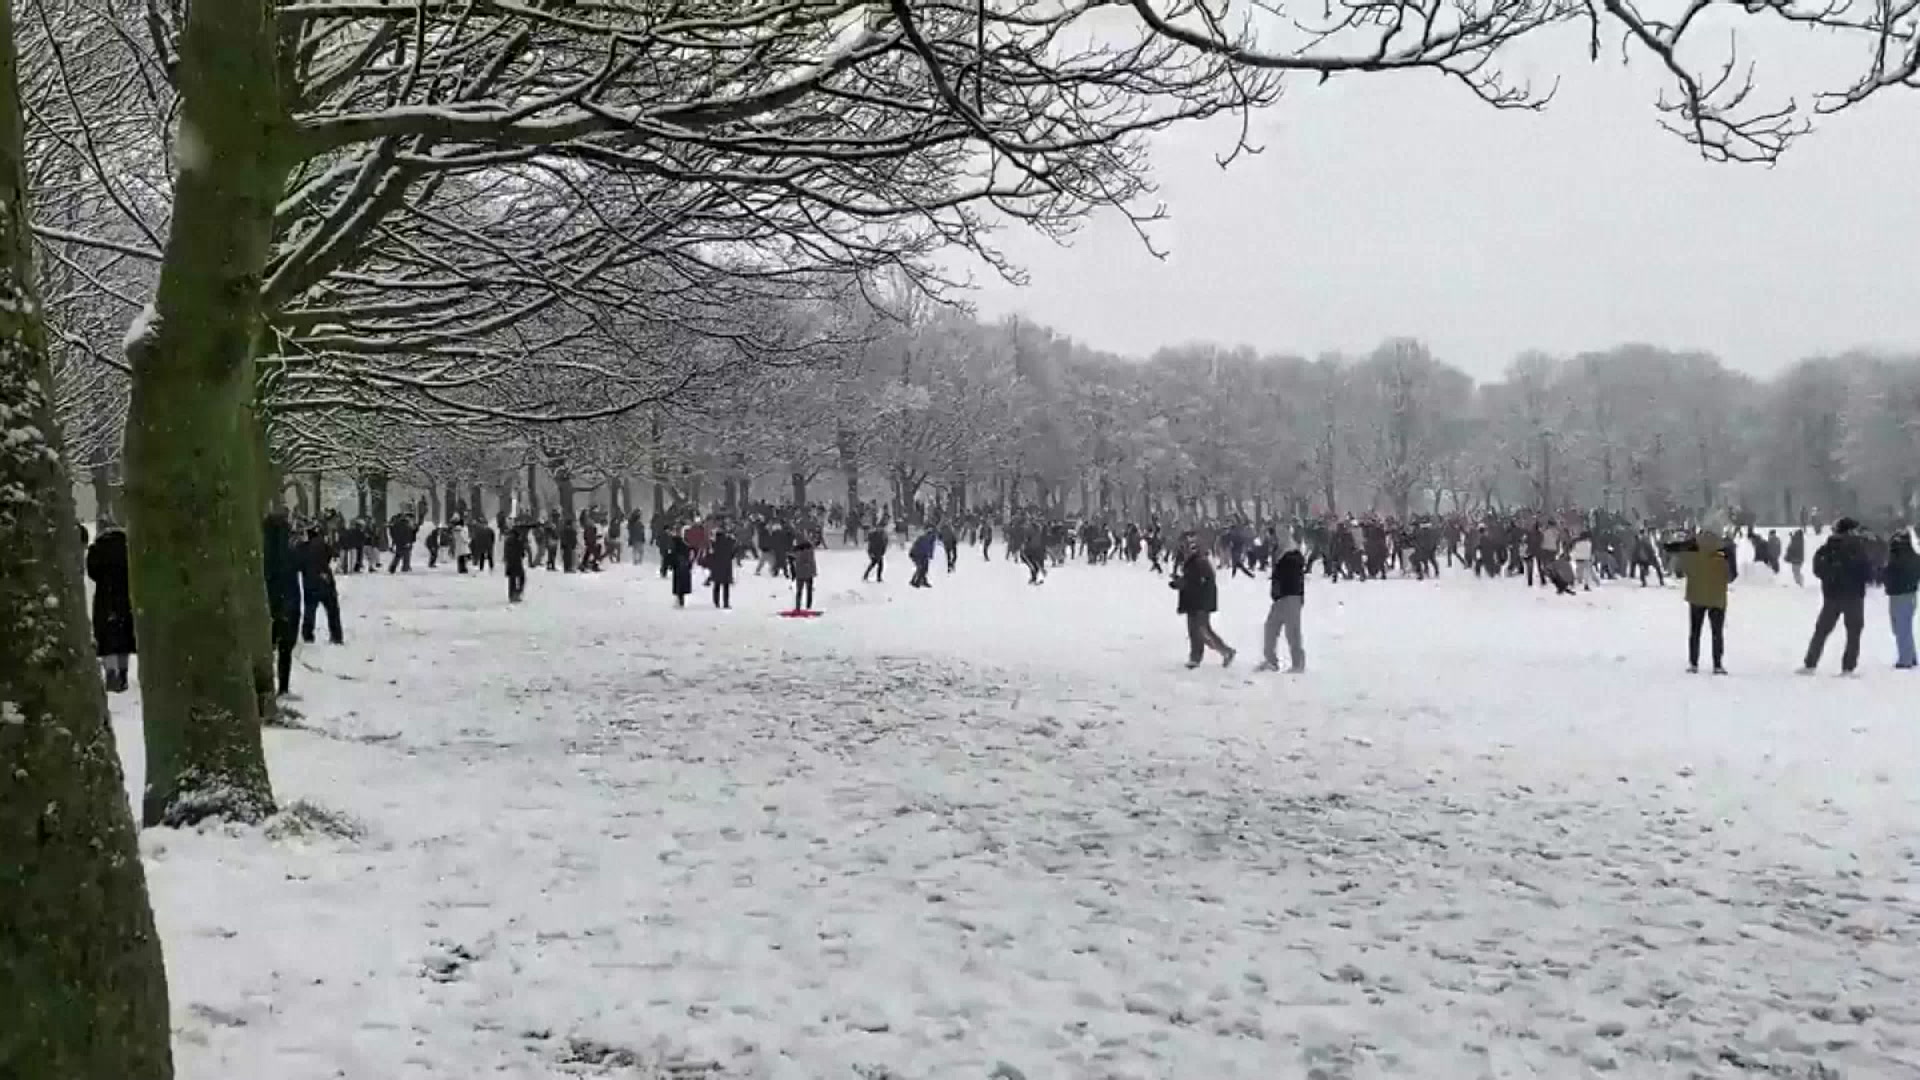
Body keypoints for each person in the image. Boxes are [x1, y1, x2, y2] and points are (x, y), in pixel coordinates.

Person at [1802, 517, 1872, 675]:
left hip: (1832, 595)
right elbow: (1868, 572)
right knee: (1854, 633)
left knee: (1822, 630)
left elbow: (1817, 567)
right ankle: (1848, 667)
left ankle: (1810, 663)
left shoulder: (1829, 546)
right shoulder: (1859, 547)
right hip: (1854, 596)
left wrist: (1830, 577)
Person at [1664, 526, 1736, 674]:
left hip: (1696, 595)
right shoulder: (1724, 548)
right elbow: (1732, 576)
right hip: (1717, 596)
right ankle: (1717, 665)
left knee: (1695, 631)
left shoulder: (1692, 545)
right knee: (1717, 632)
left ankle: (1693, 663)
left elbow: (1679, 572)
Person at [1171, 533, 1235, 669]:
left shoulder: (1198, 561)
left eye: (1184, 547)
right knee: (1195, 630)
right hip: (1195, 601)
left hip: (1200, 602)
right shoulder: (1193, 562)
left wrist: (1181, 583)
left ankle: (1223, 652)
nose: (1182, 550)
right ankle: (1200, 655)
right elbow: (1193, 580)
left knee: (1201, 630)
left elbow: (1199, 581)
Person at [85, 522, 135, 692]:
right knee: (123, 638)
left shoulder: (97, 548)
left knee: (107, 638)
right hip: (125, 596)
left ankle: (111, 673)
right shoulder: (128, 545)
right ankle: (123, 672)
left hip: (104, 597)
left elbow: (92, 572)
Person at [263, 510, 303, 696]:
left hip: (271, 600)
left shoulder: (264, 547)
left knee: (270, 646)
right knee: (285, 647)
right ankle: (282, 687)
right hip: (287, 600)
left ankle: (268, 687)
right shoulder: (286, 549)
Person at [1259, 533, 1306, 674]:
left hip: (1291, 596)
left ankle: (1298, 664)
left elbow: (1290, 576)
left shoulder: (1292, 558)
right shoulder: (1280, 556)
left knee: (1292, 632)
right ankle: (1270, 660)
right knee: (1271, 627)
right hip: (1280, 598)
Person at [297, 525, 344, 645]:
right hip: (326, 580)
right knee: (332, 610)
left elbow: (298, 564)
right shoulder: (323, 544)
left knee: (310, 610)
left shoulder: (302, 547)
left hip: (310, 582)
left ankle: (308, 635)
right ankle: (336, 635)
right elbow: (333, 554)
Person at [1885, 531, 1918, 670]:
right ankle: (1910, 655)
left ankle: (1906, 659)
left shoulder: (1896, 559)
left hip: (1898, 595)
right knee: (1905, 627)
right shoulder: (1914, 558)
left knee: (1900, 627)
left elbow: (1888, 574)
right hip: (1910, 594)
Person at [708, 524, 738, 608]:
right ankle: (726, 603)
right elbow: (734, 551)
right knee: (726, 586)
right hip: (726, 566)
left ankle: (716, 602)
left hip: (716, 565)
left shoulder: (714, 543)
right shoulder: (729, 541)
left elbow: (710, 553)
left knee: (716, 585)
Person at [666, 529, 694, 607]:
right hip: (684, 565)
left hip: (678, 565)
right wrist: (690, 564)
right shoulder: (686, 543)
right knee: (682, 583)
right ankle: (681, 598)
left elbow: (671, 553)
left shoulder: (674, 542)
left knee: (678, 582)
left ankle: (679, 597)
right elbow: (691, 554)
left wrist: (670, 564)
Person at [791, 534, 818, 611]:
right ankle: (808, 607)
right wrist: (814, 571)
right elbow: (812, 562)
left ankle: (798, 607)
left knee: (799, 591)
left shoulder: (797, 551)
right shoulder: (810, 550)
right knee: (809, 590)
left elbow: (796, 559)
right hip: (808, 573)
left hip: (800, 573)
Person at [504, 522, 529, 603]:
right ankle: (517, 593)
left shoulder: (508, 540)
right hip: (516, 561)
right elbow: (522, 552)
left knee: (512, 579)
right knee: (521, 577)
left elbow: (507, 552)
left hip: (510, 562)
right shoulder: (518, 540)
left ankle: (512, 595)